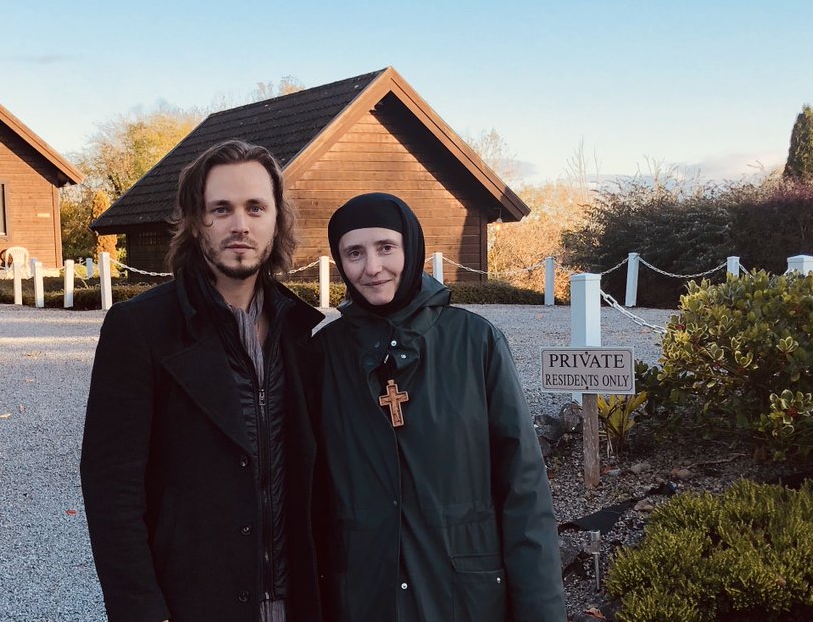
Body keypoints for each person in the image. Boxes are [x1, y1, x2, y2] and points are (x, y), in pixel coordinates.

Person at [81, 140, 324, 622]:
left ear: (276, 221)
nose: (240, 225)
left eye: (256, 208)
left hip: (297, 601)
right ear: (195, 222)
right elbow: (112, 490)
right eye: (221, 209)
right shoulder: (141, 329)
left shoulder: (305, 331)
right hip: (194, 601)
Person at [312, 192, 566, 621]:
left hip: (463, 598)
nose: (372, 268)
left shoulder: (475, 342)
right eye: (354, 253)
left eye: (385, 248)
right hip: (363, 597)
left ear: (411, 248)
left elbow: (522, 490)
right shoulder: (323, 355)